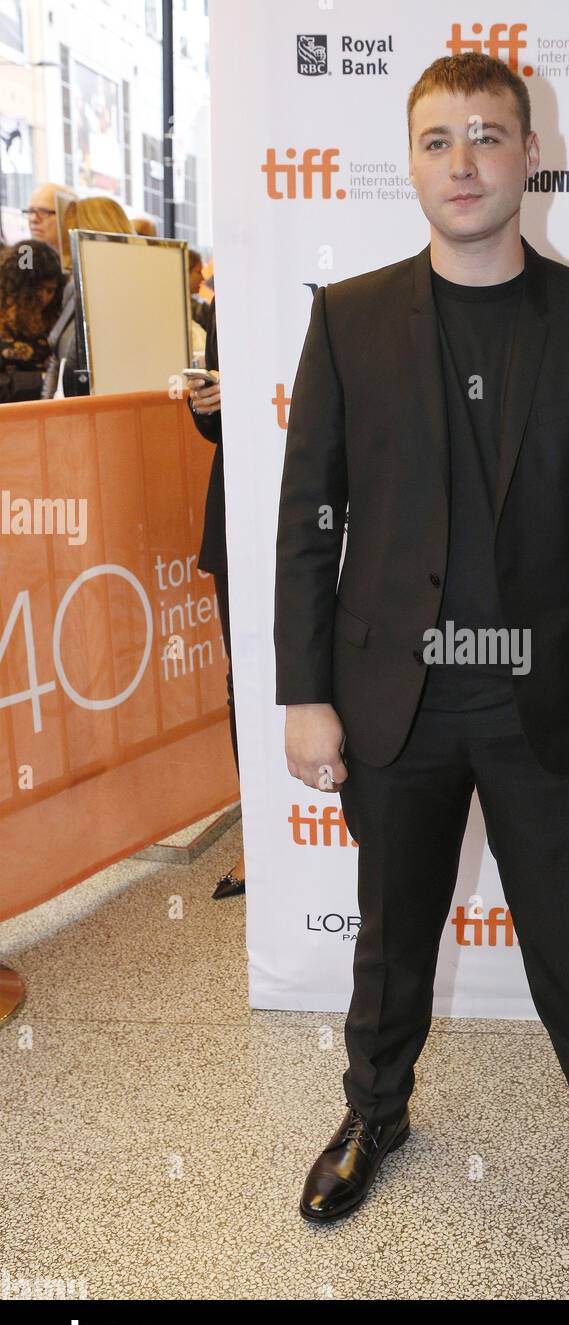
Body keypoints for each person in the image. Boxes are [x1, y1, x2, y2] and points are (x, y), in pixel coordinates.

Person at [273, 52, 569, 1254]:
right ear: (411, 162)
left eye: (488, 135)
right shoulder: (345, 316)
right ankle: (372, 1119)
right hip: (389, 697)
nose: (464, 161)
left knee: (567, 933)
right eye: (439, 138)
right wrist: (303, 694)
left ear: (530, 156)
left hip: (547, 701)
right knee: (392, 931)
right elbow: (309, 521)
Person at [185, 296, 246, 899]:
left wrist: (250, 392)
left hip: (334, 506)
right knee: (244, 680)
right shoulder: (228, 298)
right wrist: (208, 404)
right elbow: (216, 431)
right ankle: (259, 831)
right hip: (236, 513)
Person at [40, 195, 135, 398]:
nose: (66, 247)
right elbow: (58, 363)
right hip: (69, 410)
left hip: (107, 410)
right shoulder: (74, 286)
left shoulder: (128, 291)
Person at [0, 240, 64, 403]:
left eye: (50, 290)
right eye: (36, 290)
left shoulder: (55, 316)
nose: (43, 297)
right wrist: (43, 379)